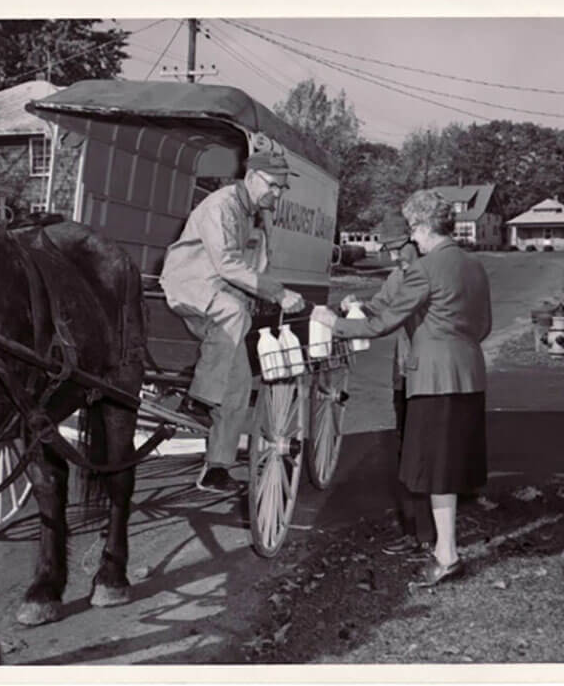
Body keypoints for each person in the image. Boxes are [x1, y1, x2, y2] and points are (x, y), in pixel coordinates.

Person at [313, 189, 492, 586]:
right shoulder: (474, 265)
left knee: (434, 471)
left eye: (414, 229)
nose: (414, 237)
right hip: (470, 375)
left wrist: (333, 323)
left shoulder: (426, 270)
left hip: (432, 378)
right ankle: (445, 548)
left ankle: (446, 555)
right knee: (446, 469)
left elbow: (381, 324)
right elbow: (484, 327)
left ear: (425, 227)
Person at [160, 151, 305, 491]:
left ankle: (217, 467)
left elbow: (252, 265)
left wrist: (265, 289)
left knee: (238, 382)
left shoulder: (251, 212)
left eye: (282, 187)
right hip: (189, 286)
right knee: (233, 312)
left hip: (218, 297)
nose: (278, 193)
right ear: (251, 176)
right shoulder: (221, 205)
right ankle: (199, 400)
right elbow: (226, 263)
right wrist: (277, 293)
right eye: (273, 185)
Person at [341, 238, 435, 557]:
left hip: (432, 377)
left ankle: (429, 535)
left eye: (404, 258)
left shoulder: (432, 275)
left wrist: (342, 326)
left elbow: (383, 322)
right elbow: (378, 307)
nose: (399, 263)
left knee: (425, 455)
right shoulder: (400, 275)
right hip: (405, 375)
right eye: (396, 259)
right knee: (406, 454)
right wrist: (356, 306)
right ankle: (415, 531)